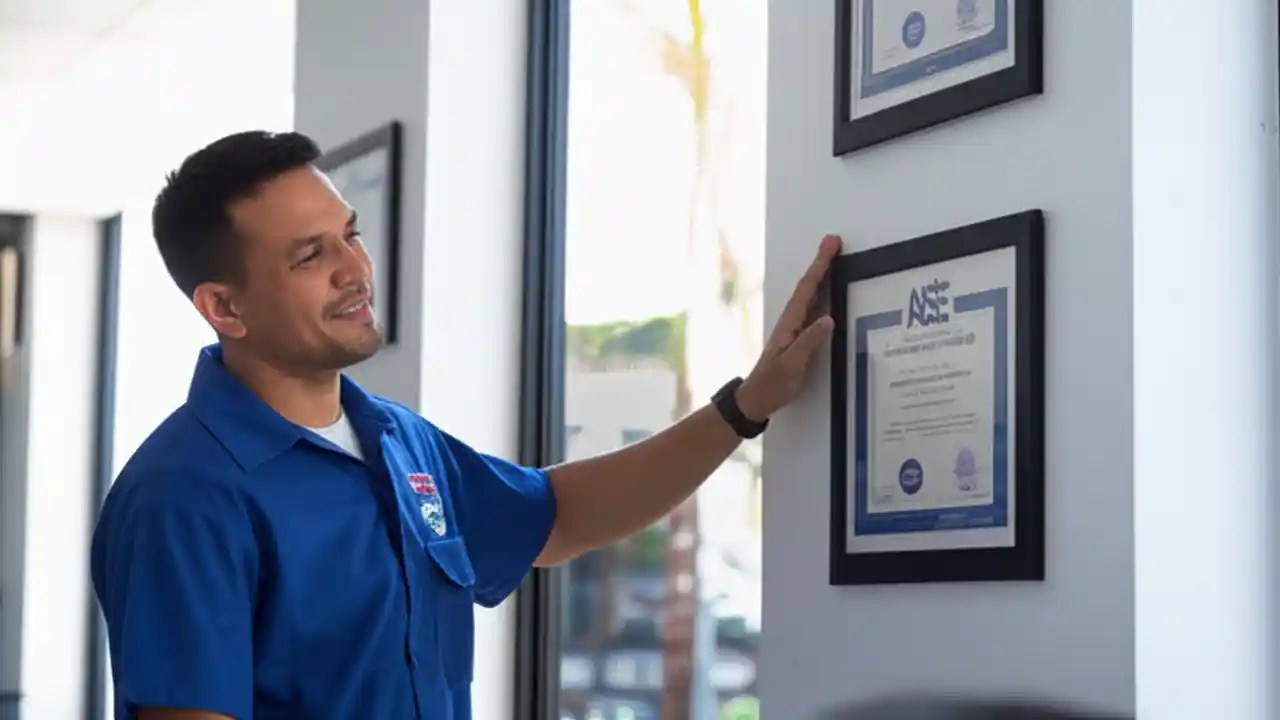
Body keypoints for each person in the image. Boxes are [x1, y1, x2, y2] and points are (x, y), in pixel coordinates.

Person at [90, 130, 839, 720]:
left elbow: (560, 516)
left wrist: (747, 406)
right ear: (225, 308)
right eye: (311, 255)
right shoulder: (181, 497)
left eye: (349, 233)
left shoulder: (396, 441)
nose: (355, 268)